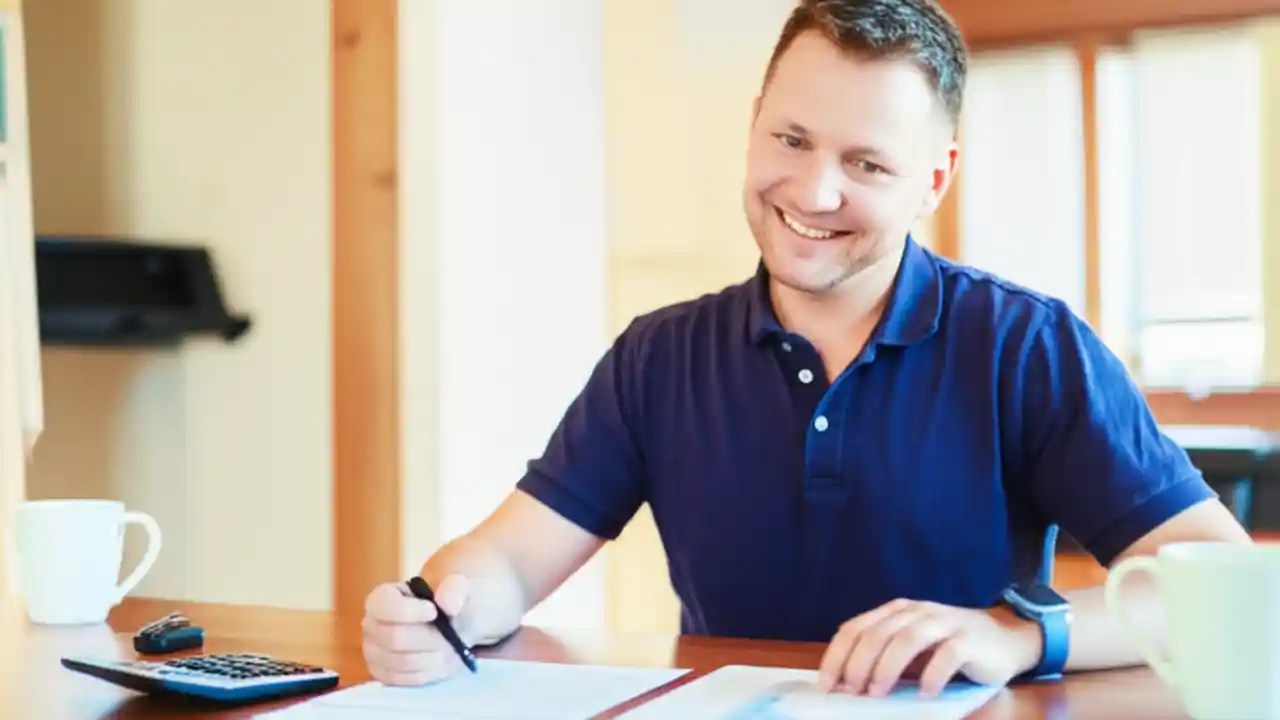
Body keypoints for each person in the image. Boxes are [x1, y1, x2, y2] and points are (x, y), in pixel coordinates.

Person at [362, 0, 1251, 697]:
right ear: (754, 124)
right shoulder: (658, 357)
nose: (814, 191)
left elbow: (1226, 594)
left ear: (934, 178)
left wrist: (1017, 634)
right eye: (791, 139)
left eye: (866, 164)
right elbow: (510, 560)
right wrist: (444, 610)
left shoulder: (1025, 345)